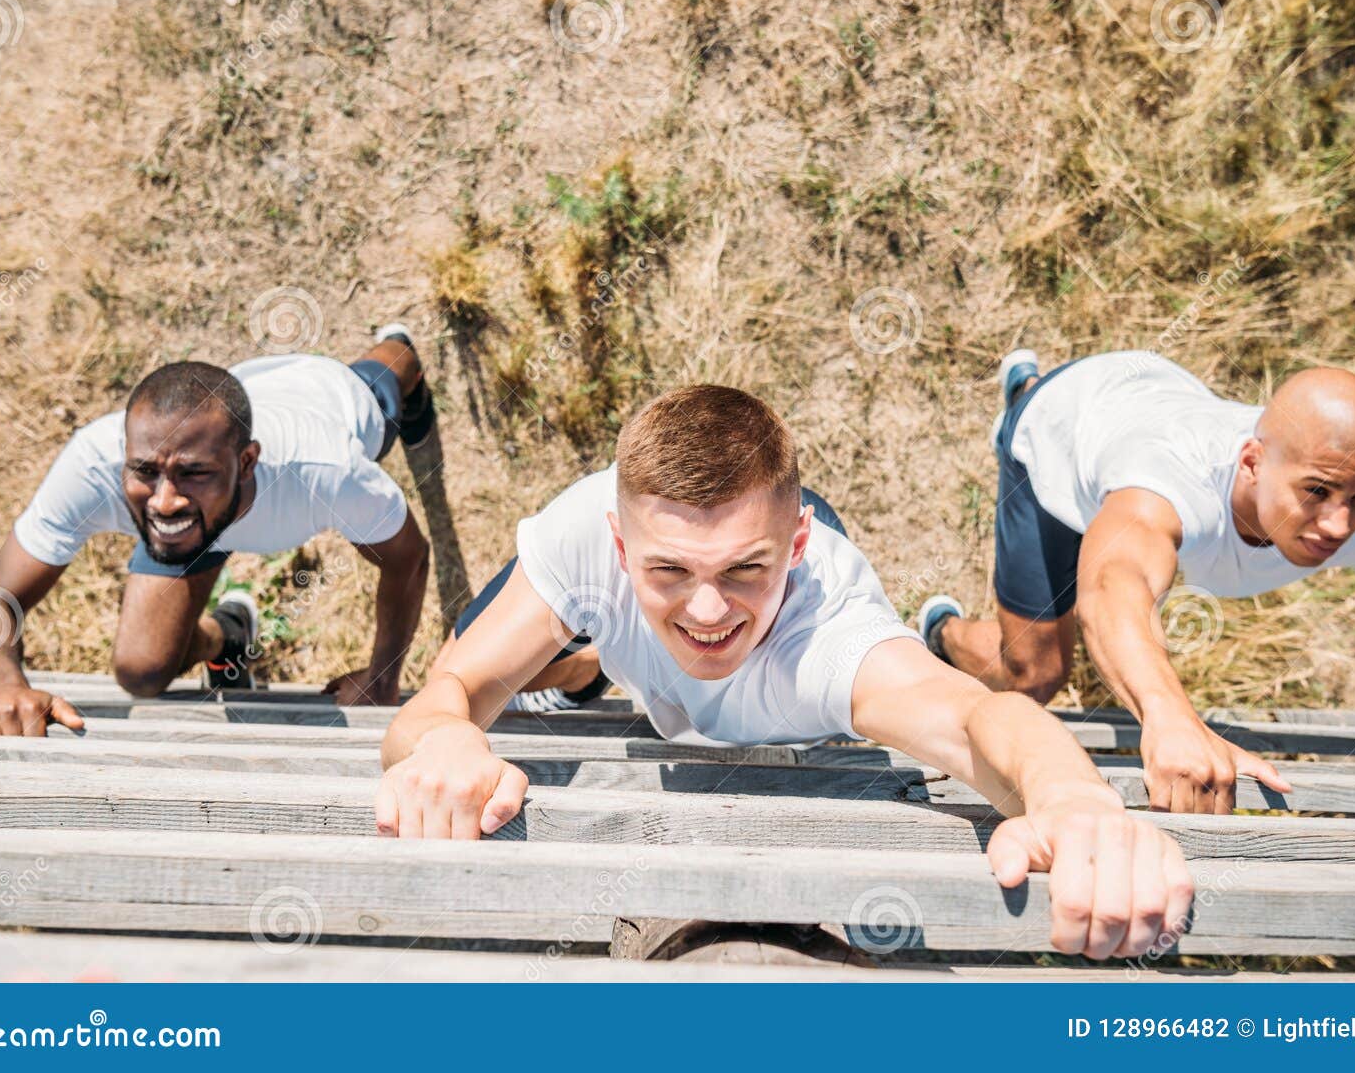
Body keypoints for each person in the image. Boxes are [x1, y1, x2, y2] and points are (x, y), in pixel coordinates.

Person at [377, 385, 1193, 961]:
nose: (704, 610)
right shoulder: (582, 542)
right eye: (667, 573)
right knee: (486, 649)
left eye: (743, 570)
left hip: (805, 599)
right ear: (619, 549)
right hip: (602, 574)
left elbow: (974, 715)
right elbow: (443, 693)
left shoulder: (824, 626)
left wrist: (1075, 800)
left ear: (795, 550)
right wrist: (446, 740)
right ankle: (585, 662)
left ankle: (610, 647)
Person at [917, 349, 1355, 815]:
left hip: (1149, 397)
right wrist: (1169, 715)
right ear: (1251, 463)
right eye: (1315, 492)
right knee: (1035, 674)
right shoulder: (1171, 479)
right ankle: (942, 629)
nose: (1338, 523)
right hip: (1063, 434)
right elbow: (1111, 586)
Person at [0, 326, 438, 736]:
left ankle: (397, 348)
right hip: (213, 503)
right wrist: (2, 687)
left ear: (247, 462)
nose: (165, 501)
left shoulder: (329, 471)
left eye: (194, 473)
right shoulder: (94, 465)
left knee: (382, 382)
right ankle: (231, 635)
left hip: (331, 395)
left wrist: (382, 676)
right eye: (144, 470)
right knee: (141, 672)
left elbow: (408, 559)